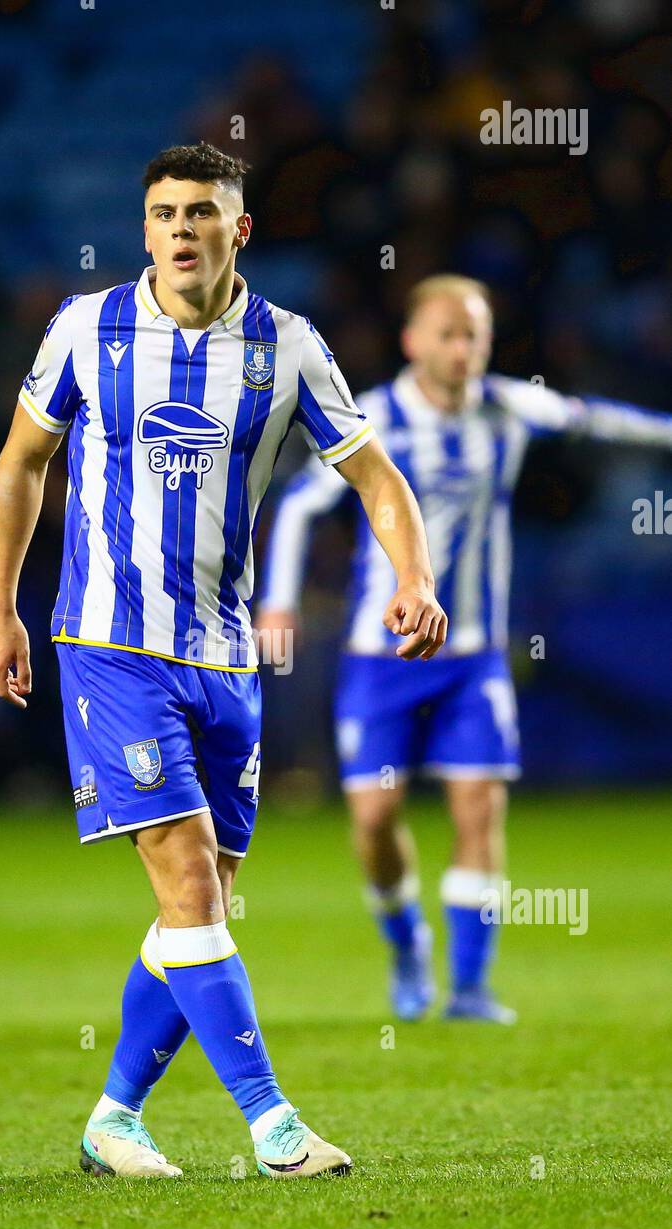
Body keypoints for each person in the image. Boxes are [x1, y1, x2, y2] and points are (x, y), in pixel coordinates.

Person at [0, 143, 446, 1180]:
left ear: (239, 231)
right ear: (142, 229)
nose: (180, 228)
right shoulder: (83, 329)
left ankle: (112, 1116)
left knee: (200, 904)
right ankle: (272, 1124)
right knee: (189, 882)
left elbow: (375, 478)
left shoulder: (285, 347)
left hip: (225, 659)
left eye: (200, 212)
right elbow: (20, 464)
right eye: (162, 212)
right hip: (105, 642)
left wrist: (412, 576)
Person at [257, 273, 672, 1024]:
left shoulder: (508, 407)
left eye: (474, 335)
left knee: (479, 809)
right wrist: (279, 599)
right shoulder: (373, 419)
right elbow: (298, 506)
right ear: (414, 341)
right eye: (447, 334)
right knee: (375, 820)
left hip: (475, 654)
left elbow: (595, 419)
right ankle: (407, 942)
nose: (462, 349)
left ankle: (472, 987)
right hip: (379, 657)